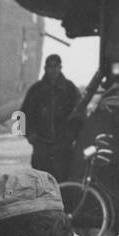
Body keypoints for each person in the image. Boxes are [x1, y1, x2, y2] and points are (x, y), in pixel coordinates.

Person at [20, 54, 79, 183]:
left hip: (63, 146)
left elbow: (80, 115)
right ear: (45, 68)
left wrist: (71, 136)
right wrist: (29, 134)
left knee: (64, 183)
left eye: (56, 66)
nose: (53, 70)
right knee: (41, 182)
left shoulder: (70, 89)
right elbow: (20, 116)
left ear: (60, 68)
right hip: (42, 146)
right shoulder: (35, 90)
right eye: (50, 66)